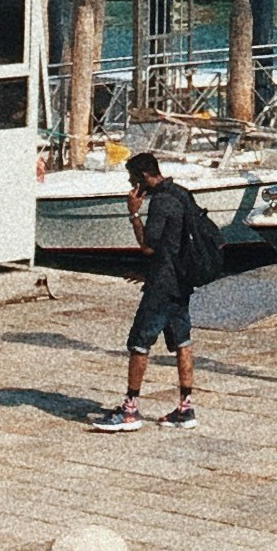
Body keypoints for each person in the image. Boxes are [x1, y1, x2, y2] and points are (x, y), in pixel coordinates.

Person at [95, 151, 224, 428]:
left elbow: (149, 246)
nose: (130, 183)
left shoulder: (161, 203)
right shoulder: (181, 193)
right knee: (182, 342)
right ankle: (185, 408)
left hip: (162, 286)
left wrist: (134, 215)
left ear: (142, 177)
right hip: (182, 282)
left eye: (132, 178)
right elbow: (177, 244)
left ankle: (130, 410)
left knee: (139, 343)